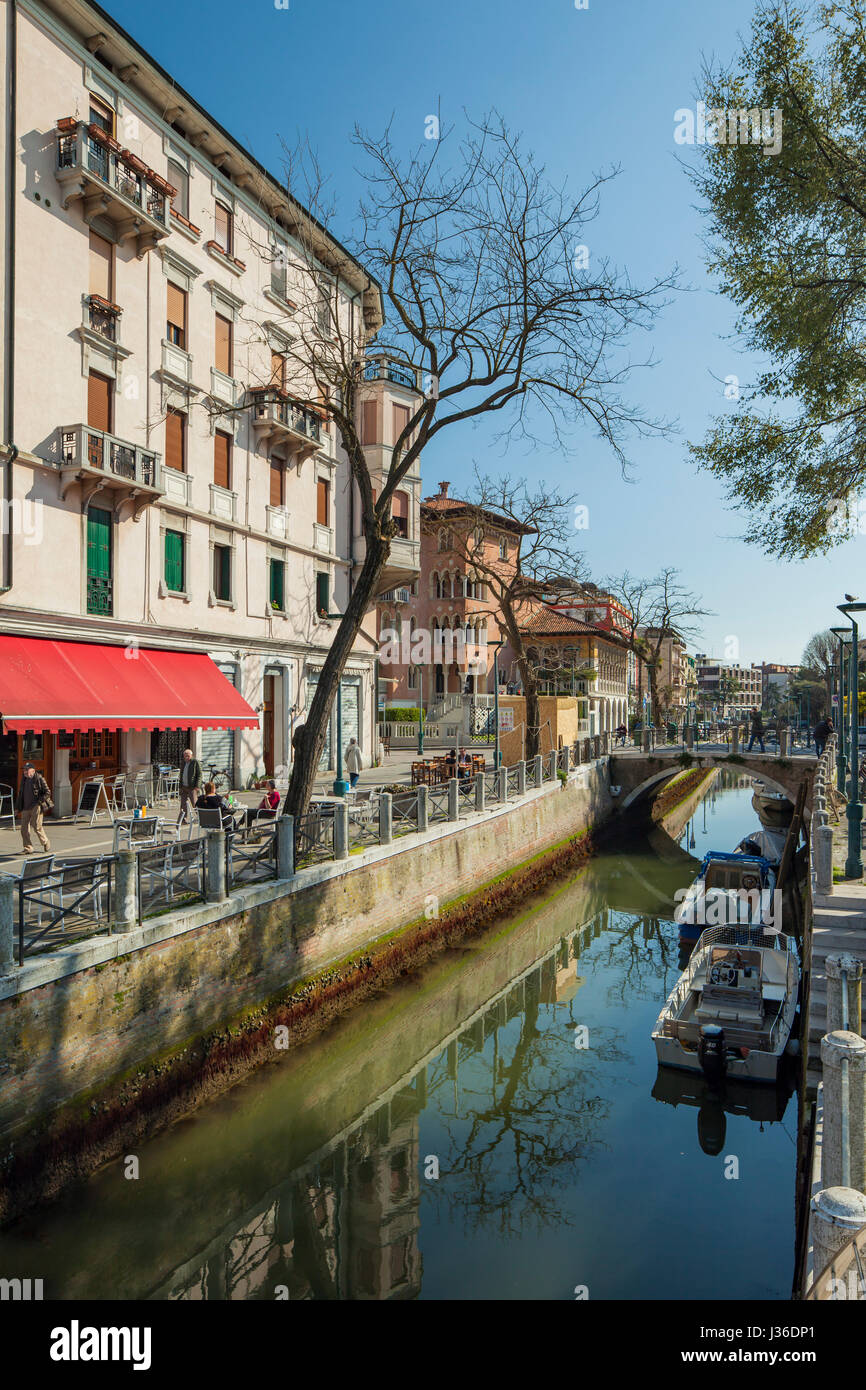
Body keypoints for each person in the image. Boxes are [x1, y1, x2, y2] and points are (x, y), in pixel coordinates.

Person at [16, 761, 52, 854]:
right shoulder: (24, 779)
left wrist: (39, 802)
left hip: (36, 805)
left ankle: (45, 841)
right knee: (24, 828)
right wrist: (18, 807)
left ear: (33, 770)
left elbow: (47, 792)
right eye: (24, 770)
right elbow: (21, 794)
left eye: (27, 770)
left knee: (36, 826)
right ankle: (28, 848)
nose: (25, 772)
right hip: (25, 807)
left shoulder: (39, 778)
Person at [177, 747, 202, 825]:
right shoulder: (183, 763)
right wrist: (180, 786)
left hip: (192, 787)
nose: (186, 757)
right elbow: (181, 774)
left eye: (188, 755)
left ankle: (202, 817)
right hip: (184, 786)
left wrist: (197, 786)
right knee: (183, 805)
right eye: (185, 756)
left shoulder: (195, 762)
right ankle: (182, 820)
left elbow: (199, 775)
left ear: (191, 755)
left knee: (195, 803)